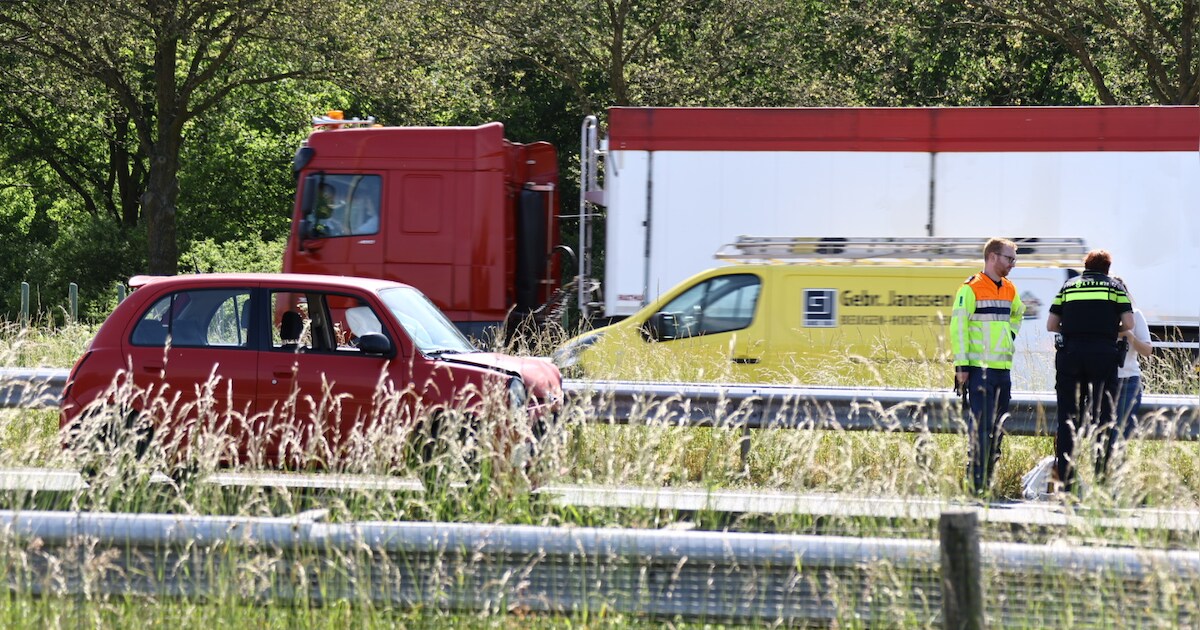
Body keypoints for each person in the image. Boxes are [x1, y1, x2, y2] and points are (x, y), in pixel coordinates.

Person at [1046, 249, 1134, 493]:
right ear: (1107, 268)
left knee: (1067, 421)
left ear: (1086, 266)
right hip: (1103, 357)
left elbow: (1051, 325)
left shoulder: (1068, 286)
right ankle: (1102, 483)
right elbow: (1129, 324)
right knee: (1103, 419)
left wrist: (1075, 329)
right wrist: (1105, 326)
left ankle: (1065, 483)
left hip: (1070, 357)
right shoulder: (1115, 287)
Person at [950, 237, 1025, 497]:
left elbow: (1018, 314)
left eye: (1014, 259)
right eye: (1009, 258)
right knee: (981, 428)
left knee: (997, 429)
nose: (1012, 264)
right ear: (992, 257)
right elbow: (958, 328)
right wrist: (961, 366)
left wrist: (1010, 336)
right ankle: (976, 485)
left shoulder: (1010, 289)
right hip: (978, 369)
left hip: (1002, 370)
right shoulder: (970, 289)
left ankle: (988, 483)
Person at [1102, 276, 1152, 473]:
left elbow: (1147, 350)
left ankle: (1115, 475)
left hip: (1128, 381)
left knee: (1120, 433)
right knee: (1105, 432)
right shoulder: (1098, 316)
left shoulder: (1135, 315)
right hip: (1103, 380)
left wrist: (1129, 336)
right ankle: (1107, 475)